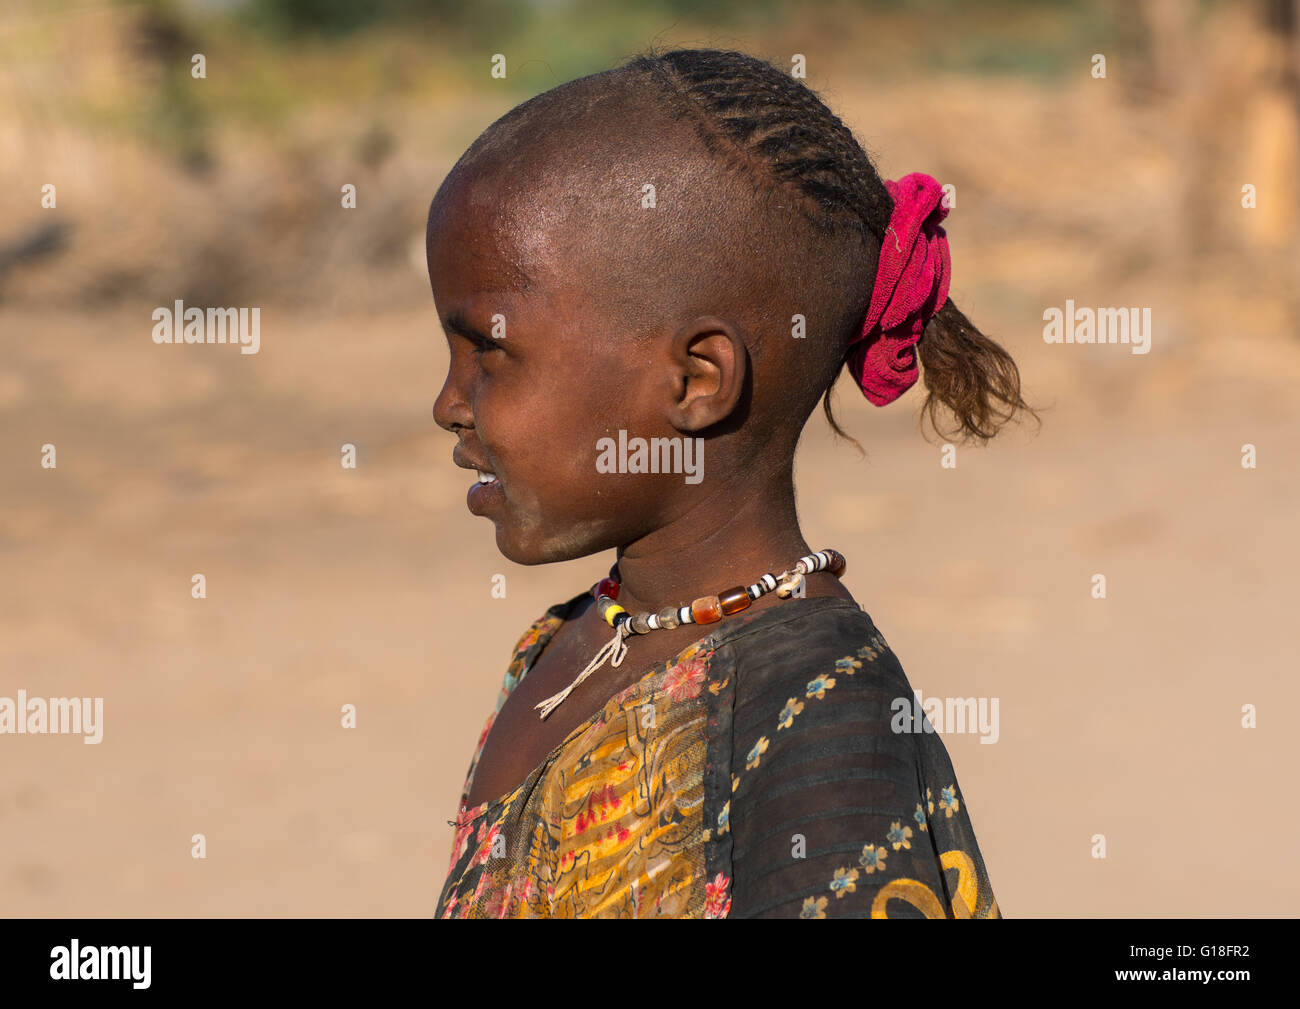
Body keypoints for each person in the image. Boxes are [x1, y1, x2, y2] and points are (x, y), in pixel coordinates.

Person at [428, 48, 1037, 918]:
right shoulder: (570, 639)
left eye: (487, 350)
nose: (449, 403)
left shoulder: (824, 720)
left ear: (695, 381)